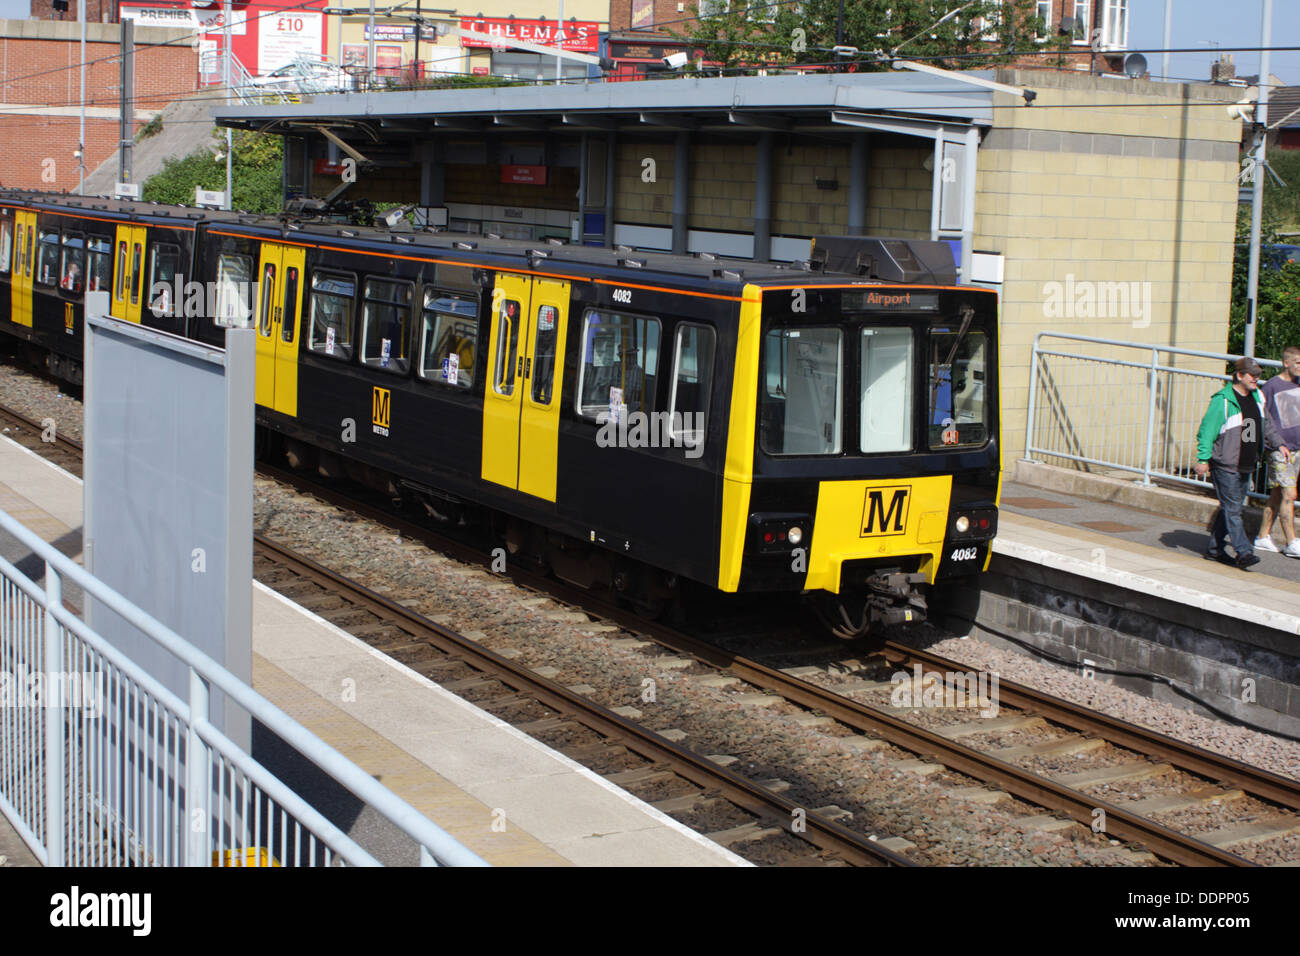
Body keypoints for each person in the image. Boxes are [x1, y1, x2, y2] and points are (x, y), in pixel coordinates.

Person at [1195, 357, 1288, 569]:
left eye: (1258, 375)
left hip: (1247, 464)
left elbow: (1268, 426)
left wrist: (1279, 444)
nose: (1256, 379)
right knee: (1234, 509)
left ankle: (1214, 549)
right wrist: (1203, 459)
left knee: (1230, 507)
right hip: (1226, 465)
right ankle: (1244, 552)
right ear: (1239, 375)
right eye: (1252, 375)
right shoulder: (1224, 400)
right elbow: (1206, 432)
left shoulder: (1257, 397)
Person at [1254, 346, 1300, 556]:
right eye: (1297, 362)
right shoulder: (1272, 386)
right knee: (1290, 493)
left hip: (1297, 449)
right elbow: (1263, 415)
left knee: (1277, 494)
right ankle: (1292, 542)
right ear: (1286, 363)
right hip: (1280, 449)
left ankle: (1262, 536)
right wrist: (1274, 442)